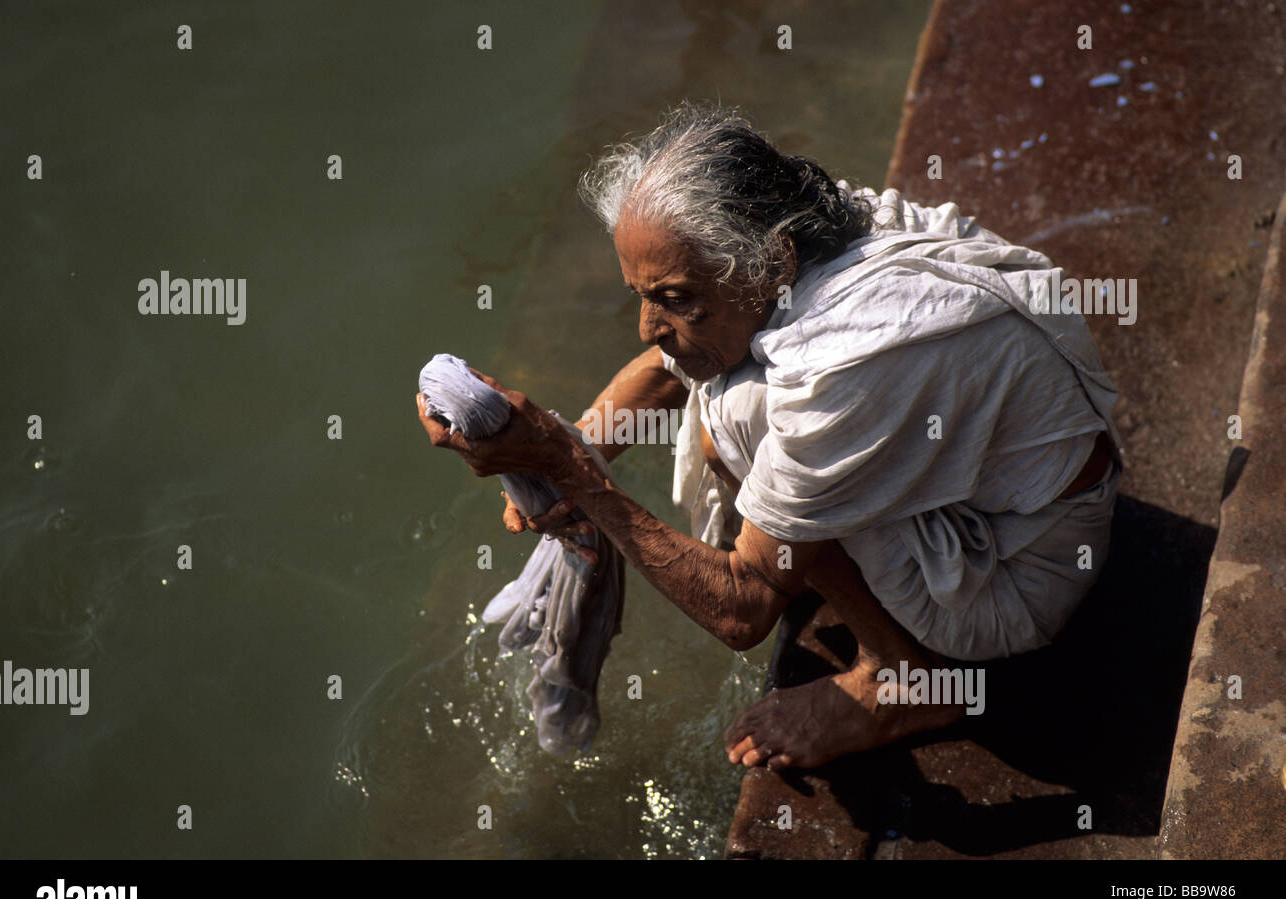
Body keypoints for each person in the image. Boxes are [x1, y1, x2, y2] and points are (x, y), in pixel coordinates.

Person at [416, 102, 1121, 771]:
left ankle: (905, 678)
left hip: (1018, 576)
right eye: (642, 296)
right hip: (1016, 499)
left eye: (673, 298)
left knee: (735, 420)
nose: (647, 327)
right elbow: (668, 372)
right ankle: (834, 554)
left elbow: (743, 606)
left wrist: (565, 466)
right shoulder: (813, 227)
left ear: (774, 261)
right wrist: (567, 450)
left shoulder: (843, 366)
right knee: (723, 384)